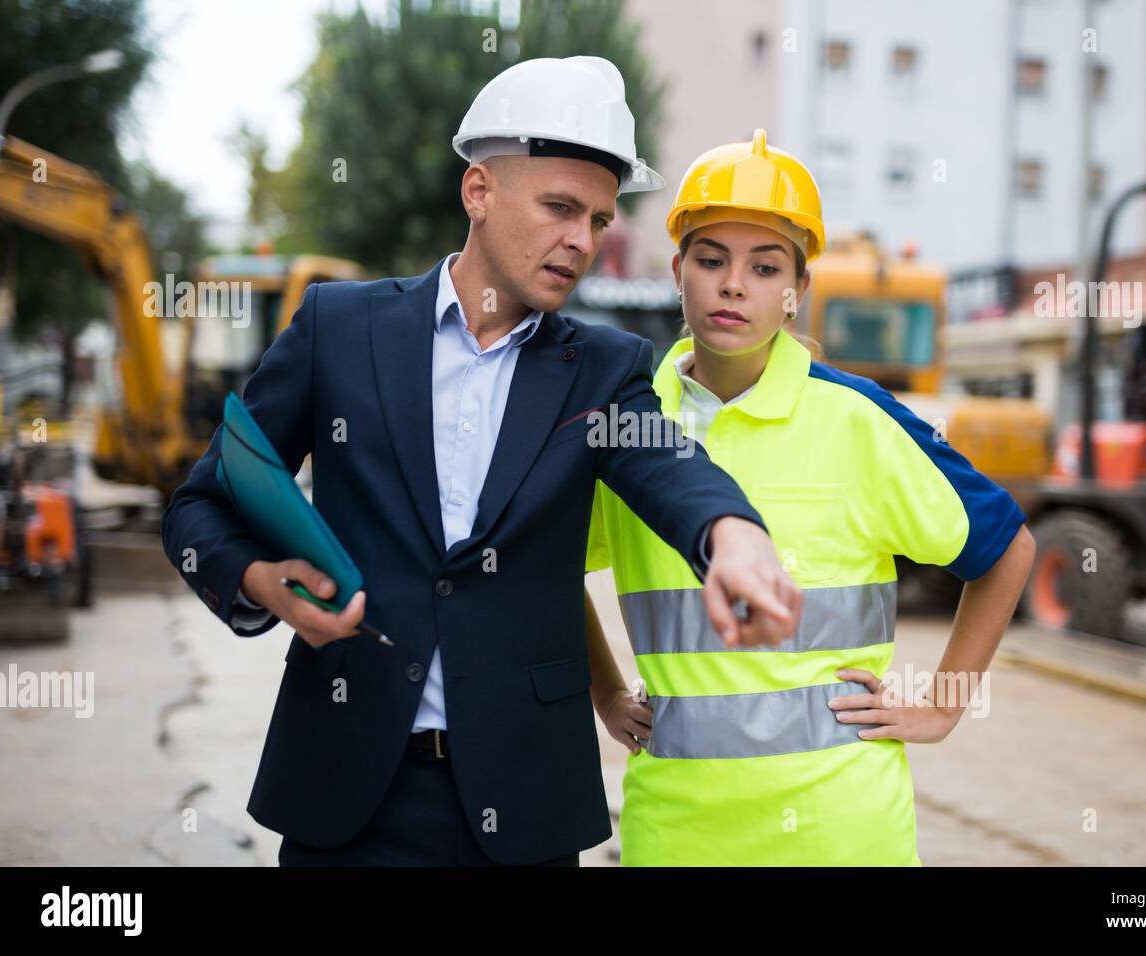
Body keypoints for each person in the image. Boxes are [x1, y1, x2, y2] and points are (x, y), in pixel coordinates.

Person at [161, 59, 803, 867]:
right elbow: (199, 506)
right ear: (479, 192)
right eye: (561, 208)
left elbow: (670, 463)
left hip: (523, 808)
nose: (582, 241)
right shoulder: (339, 327)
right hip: (346, 793)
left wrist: (733, 535)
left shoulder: (603, 368)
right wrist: (259, 583)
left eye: (600, 220)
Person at [584, 129, 1036, 865]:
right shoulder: (629, 421)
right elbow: (545, 556)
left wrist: (944, 703)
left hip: (840, 832)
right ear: (676, 271)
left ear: (798, 291)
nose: (734, 284)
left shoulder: (858, 420)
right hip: (675, 832)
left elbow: (1006, 547)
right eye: (710, 259)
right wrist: (606, 691)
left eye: (765, 267)